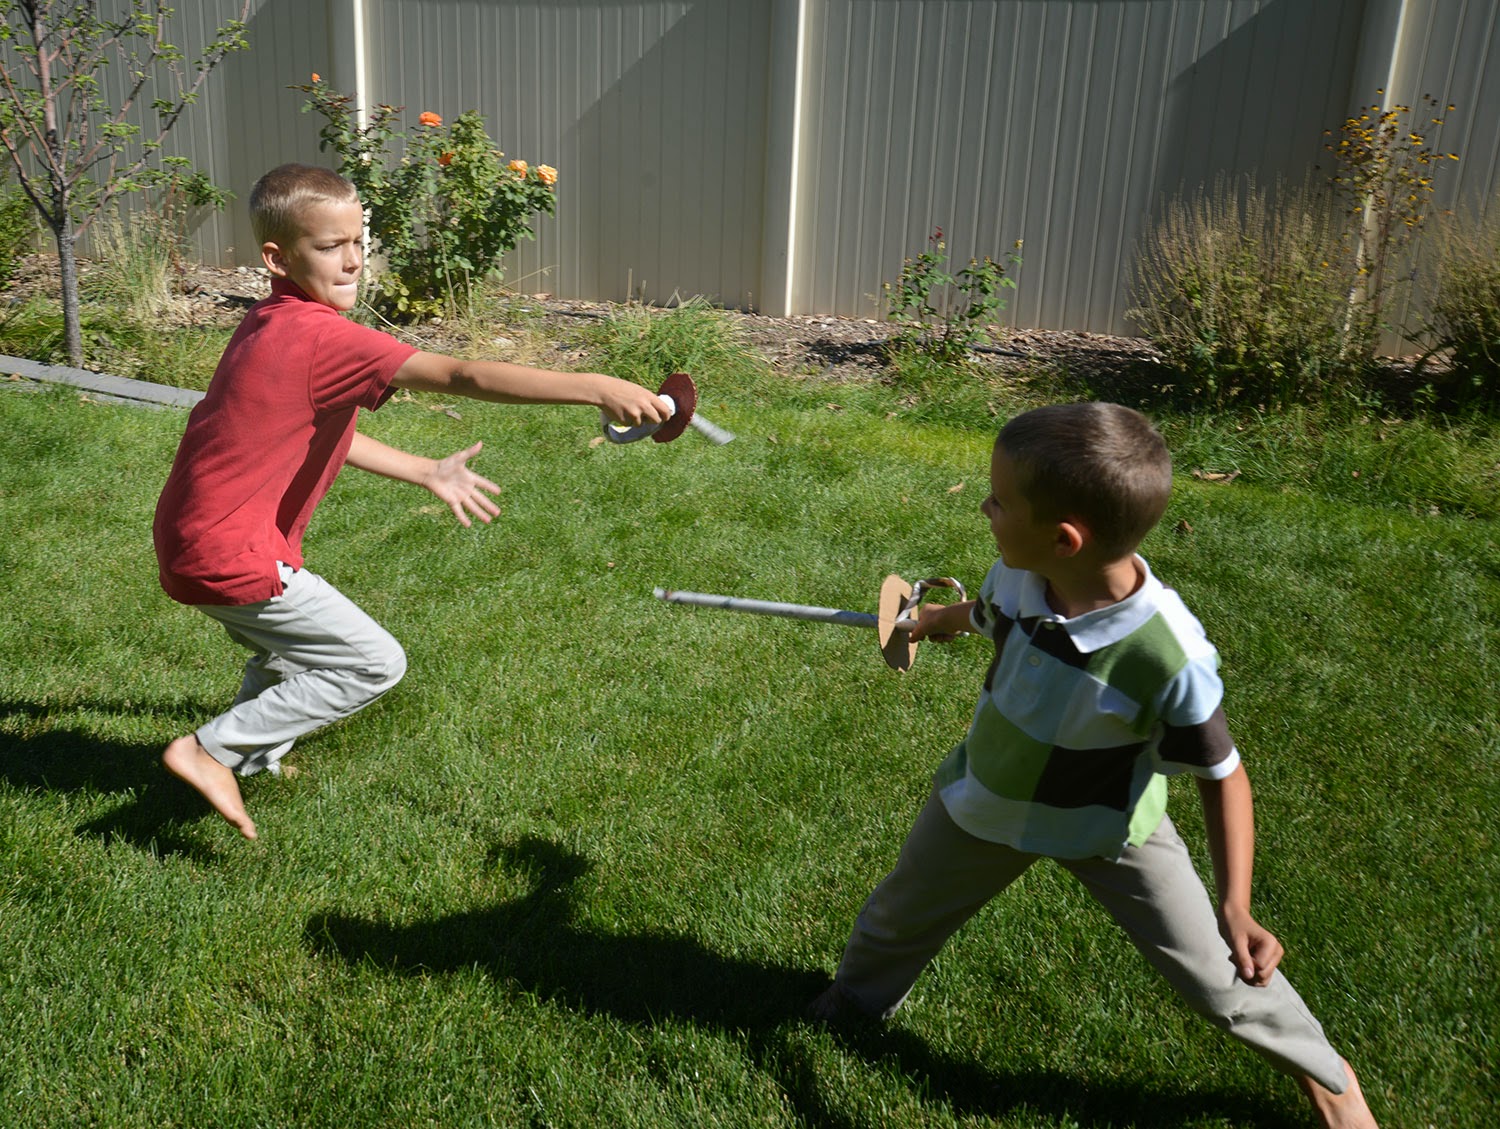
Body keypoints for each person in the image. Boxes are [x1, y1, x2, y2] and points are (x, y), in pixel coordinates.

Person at [809, 403, 1379, 1128]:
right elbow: (990, 613)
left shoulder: (1168, 655)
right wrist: (934, 620)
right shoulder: (1021, 573)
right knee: (899, 916)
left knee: (1219, 976)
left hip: (1110, 829)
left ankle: (1328, 1077)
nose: (985, 507)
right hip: (984, 800)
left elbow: (1222, 774)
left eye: (998, 500)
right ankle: (851, 1004)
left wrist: (1236, 903)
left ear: (1064, 537)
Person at [154, 163, 671, 841]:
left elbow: (316, 430)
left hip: (195, 540)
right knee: (373, 661)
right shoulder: (322, 336)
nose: (352, 261)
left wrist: (425, 469)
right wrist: (594, 384)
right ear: (277, 257)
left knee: (282, 650)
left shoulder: (271, 323)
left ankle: (250, 756)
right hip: (231, 552)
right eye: (329, 246)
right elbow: (463, 373)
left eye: (358, 243)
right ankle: (209, 750)